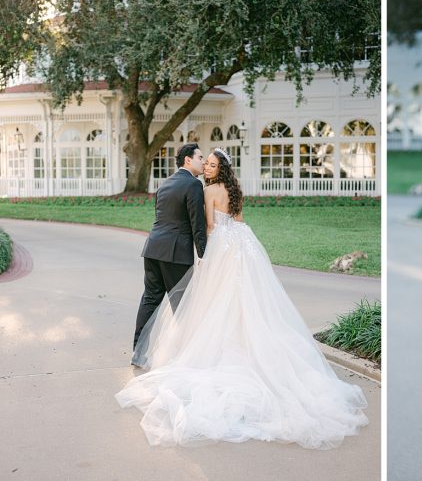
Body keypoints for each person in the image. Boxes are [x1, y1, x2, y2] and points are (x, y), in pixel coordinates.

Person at [117, 148, 368, 448]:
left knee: (188, 302)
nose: (206, 167)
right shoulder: (233, 190)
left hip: (176, 246)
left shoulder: (193, 187)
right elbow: (236, 220)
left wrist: (205, 254)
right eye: (204, 162)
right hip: (240, 245)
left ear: (217, 168)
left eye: (210, 164)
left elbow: (206, 225)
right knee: (240, 301)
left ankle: (159, 348)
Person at [133, 143, 206, 348]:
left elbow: (160, 217)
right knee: (183, 306)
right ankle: (186, 352)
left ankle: (138, 351)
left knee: (150, 300)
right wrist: (204, 255)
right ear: (188, 160)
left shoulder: (164, 184)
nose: (204, 161)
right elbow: (197, 224)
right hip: (176, 254)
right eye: (200, 157)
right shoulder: (193, 185)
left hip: (153, 248)